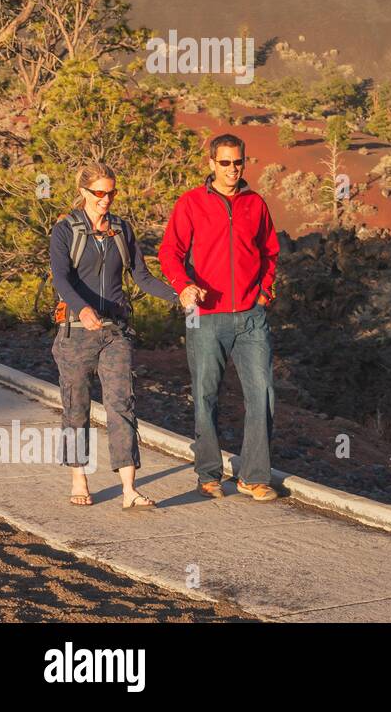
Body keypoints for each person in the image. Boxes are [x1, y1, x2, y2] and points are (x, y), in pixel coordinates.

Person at [49, 162, 183, 510]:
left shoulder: (121, 230)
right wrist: (81, 308)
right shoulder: (65, 230)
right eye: (99, 193)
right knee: (75, 408)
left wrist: (177, 294)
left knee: (121, 406)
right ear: (83, 192)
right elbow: (61, 278)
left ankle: (129, 489)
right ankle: (79, 477)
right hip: (76, 334)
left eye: (111, 193)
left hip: (115, 332)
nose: (106, 199)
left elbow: (141, 277)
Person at [159, 134, 281, 501]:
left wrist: (264, 292)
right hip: (203, 315)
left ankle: (253, 477)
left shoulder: (255, 204)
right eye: (225, 162)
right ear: (211, 163)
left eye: (238, 162)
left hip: (250, 315)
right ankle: (208, 474)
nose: (232, 169)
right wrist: (183, 285)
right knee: (205, 394)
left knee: (262, 394)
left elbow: (270, 253)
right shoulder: (191, 203)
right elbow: (169, 252)